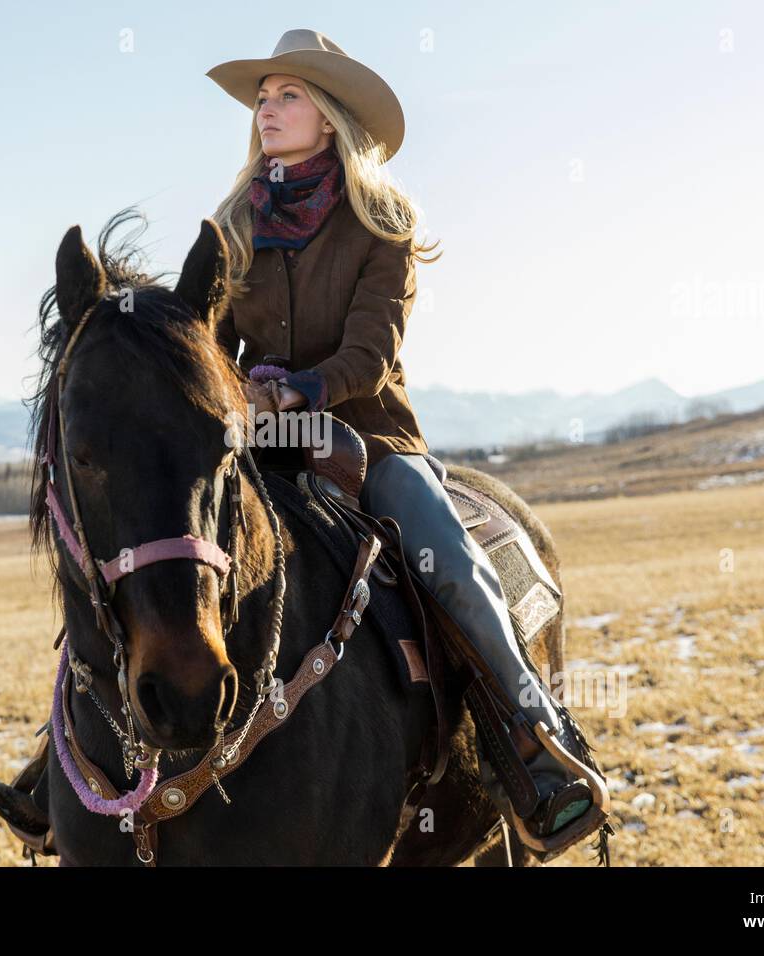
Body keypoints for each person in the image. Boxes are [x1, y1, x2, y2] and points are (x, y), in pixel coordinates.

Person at [206, 29, 610, 860]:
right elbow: (207, 341)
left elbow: (372, 350)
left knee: (441, 547)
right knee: (159, 546)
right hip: (256, 444)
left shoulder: (380, 223)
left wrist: (301, 391)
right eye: (263, 97)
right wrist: (228, 387)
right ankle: (71, 764)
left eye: (287, 95)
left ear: (332, 117)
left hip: (364, 440)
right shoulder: (231, 227)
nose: (267, 110)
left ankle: (534, 737)